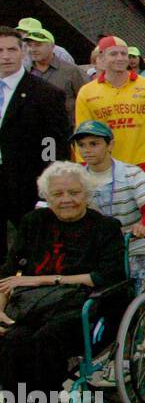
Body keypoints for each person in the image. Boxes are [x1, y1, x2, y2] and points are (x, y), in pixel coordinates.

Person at [0, 162, 130, 403]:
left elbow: (106, 277)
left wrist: (41, 280)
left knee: (46, 340)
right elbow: (8, 272)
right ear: (47, 196)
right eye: (58, 194)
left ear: (87, 194)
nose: (66, 199)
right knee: (12, 342)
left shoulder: (105, 228)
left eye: (74, 192)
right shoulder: (33, 222)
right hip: (33, 306)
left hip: (86, 307)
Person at [0, 26, 70, 260]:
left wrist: (49, 188)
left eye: (12, 49)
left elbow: (55, 145)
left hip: (27, 185)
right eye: (0, 50)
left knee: (35, 251)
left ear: (23, 52)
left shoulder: (45, 94)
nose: (6, 56)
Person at [71, 120, 145, 295]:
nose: (86, 150)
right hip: (98, 247)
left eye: (94, 144)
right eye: (81, 145)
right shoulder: (77, 177)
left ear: (110, 145)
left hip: (133, 245)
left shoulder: (131, 174)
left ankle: (141, 306)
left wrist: (144, 225)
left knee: (129, 289)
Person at [74, 35, 145, 195]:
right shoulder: (86, 92)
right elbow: (82, 132)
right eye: (113, 54)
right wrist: (83, 164)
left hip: (144, 160)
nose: (120, 58)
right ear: (101, 59)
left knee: (143, 206)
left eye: (123, 54)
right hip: (105, 163)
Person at [20, 22, 84, 122]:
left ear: (52, 46)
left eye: (38, 45)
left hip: (67, 127)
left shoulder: (71, 71)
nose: (32, 49)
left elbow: (86, 99)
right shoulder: (24, 72)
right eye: (29, 45)